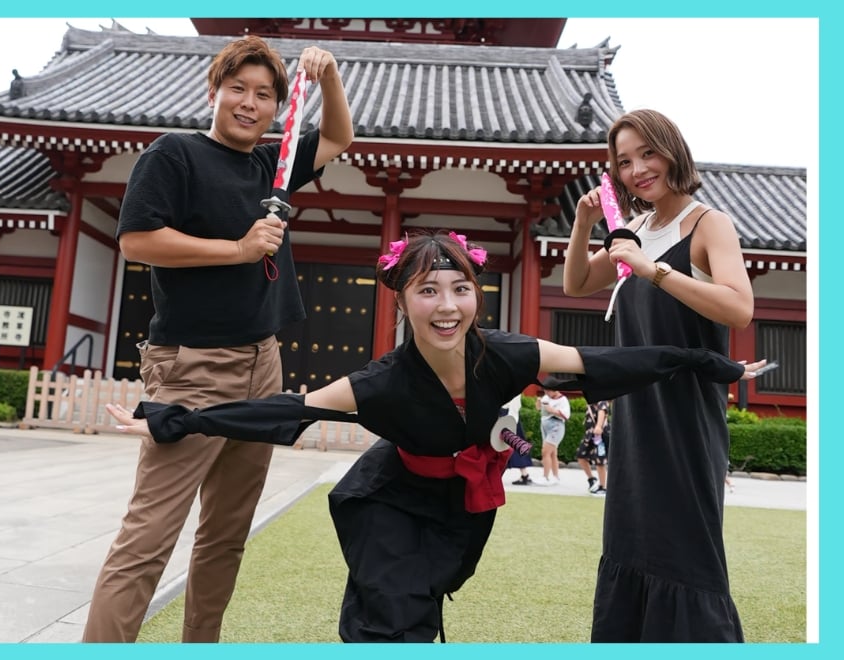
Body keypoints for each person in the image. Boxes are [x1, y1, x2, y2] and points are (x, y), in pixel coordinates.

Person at [107, 230, 764, 643]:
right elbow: (285, 411)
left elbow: (608, 364)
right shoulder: (379, 384)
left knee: (415, 606)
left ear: (476, 296)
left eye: (459, 289)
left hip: (459, 506)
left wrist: (713, 364)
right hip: (388, 496)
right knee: (391, 613)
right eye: (428, 291)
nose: (446, 306)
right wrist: (175, 417)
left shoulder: (505, 355)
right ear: (402, 302)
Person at [82, 36, 354, 643]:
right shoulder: (174, 155)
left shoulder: (270, 164)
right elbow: (137, 241)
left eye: (264, 95)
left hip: (264, 361)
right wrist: (237, 249)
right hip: (194, 366)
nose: (250, 103)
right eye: (239, 89)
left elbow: (338, 138)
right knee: (151, 534)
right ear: (214, 92)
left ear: (278, 107)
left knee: (227, 532)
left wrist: (330, 77)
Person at [562, 108, 758, 642]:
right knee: (632, 540)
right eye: (623, 162)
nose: (637, 170)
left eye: (647, 153)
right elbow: (577, 283)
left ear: (672, 150)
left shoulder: (708, 223)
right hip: (635, 414)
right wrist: (584, 226)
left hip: (686, 415)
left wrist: (653, 268)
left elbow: (740, 308)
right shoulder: (636, 229)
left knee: (687, 546)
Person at [535, 379, 570, 486]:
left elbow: (566, 415)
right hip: (545, 426)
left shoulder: (563, 400)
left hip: (556, 426)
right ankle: (555, 477)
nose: (547, 393)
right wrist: (538, 404)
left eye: (548, 391)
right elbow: (540, 410)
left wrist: (553, 410)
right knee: (553, 453)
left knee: (545, 452)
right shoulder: (546, 398)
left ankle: (545, 477)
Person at [576, 399, 611, 496]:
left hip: (600, 435)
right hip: (589, 435)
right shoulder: (591, 402)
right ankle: (591, 479)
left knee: (600, 460)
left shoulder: (602, 401)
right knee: (580, 455)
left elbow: (602, 411)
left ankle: (603, 486)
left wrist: (599, 426)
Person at [502, 395, 533, 485]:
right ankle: (524, 474)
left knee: (516, 444)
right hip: (504, 413)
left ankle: (524, 474)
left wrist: (511, 421)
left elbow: (515, 403)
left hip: (509, 415)